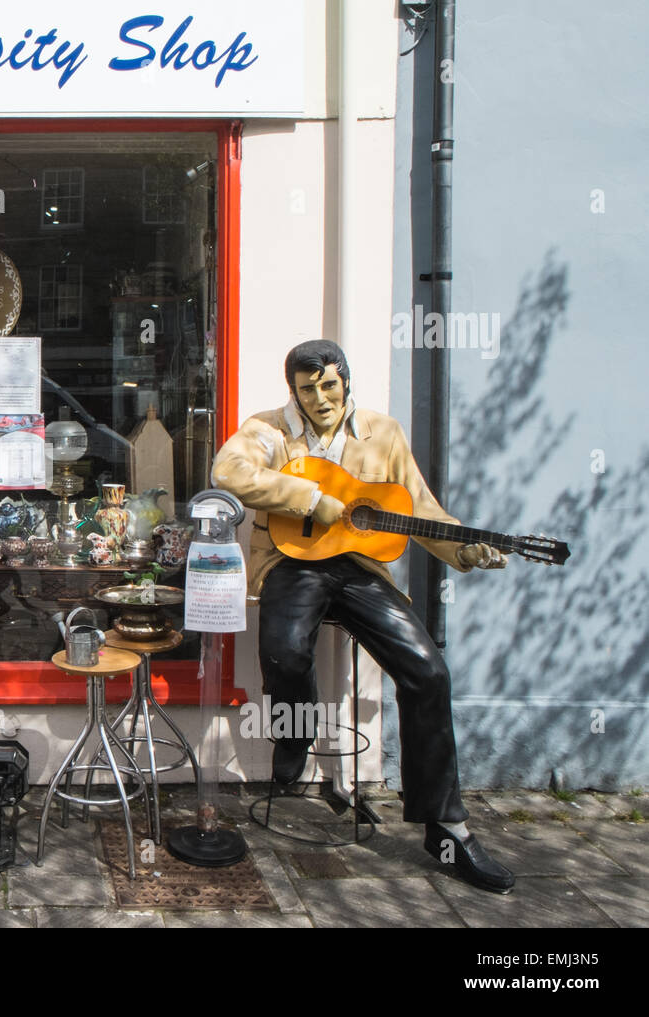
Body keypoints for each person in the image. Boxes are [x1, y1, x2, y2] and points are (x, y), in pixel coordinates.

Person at [214, 340, 515, 893]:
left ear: (345, 382)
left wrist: (466, 552)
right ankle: (294, 731)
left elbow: (419, 513)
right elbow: (229, 471)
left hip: (360, 568)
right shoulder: (268, 429)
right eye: (308, 389)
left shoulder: (383, 433)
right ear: (294, 391)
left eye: (329, 385)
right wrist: (309, 499)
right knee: (283, 649)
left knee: (428, 672)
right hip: (290, 562)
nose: (321, 398)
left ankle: (446, 826)